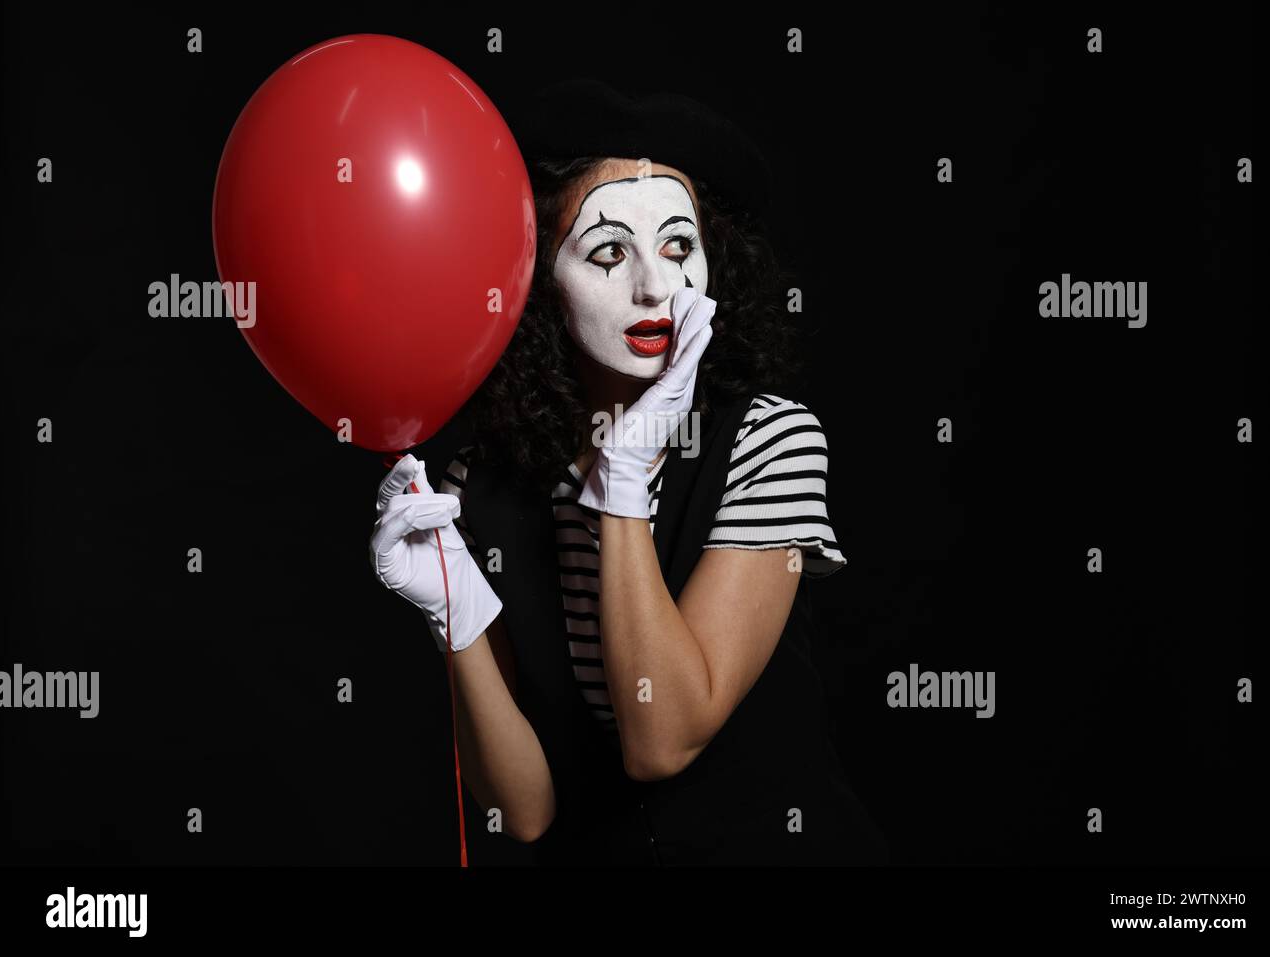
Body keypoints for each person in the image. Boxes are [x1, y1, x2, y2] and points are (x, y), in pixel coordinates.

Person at [369, 78, 888, 866]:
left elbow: (664, 738)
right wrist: (457, 619)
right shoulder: (483, 485)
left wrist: (625, 475)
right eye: (609, 251)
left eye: (679, 245)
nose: (655, 284)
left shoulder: (770, 440)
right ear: (538, 277)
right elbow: (526, 812)